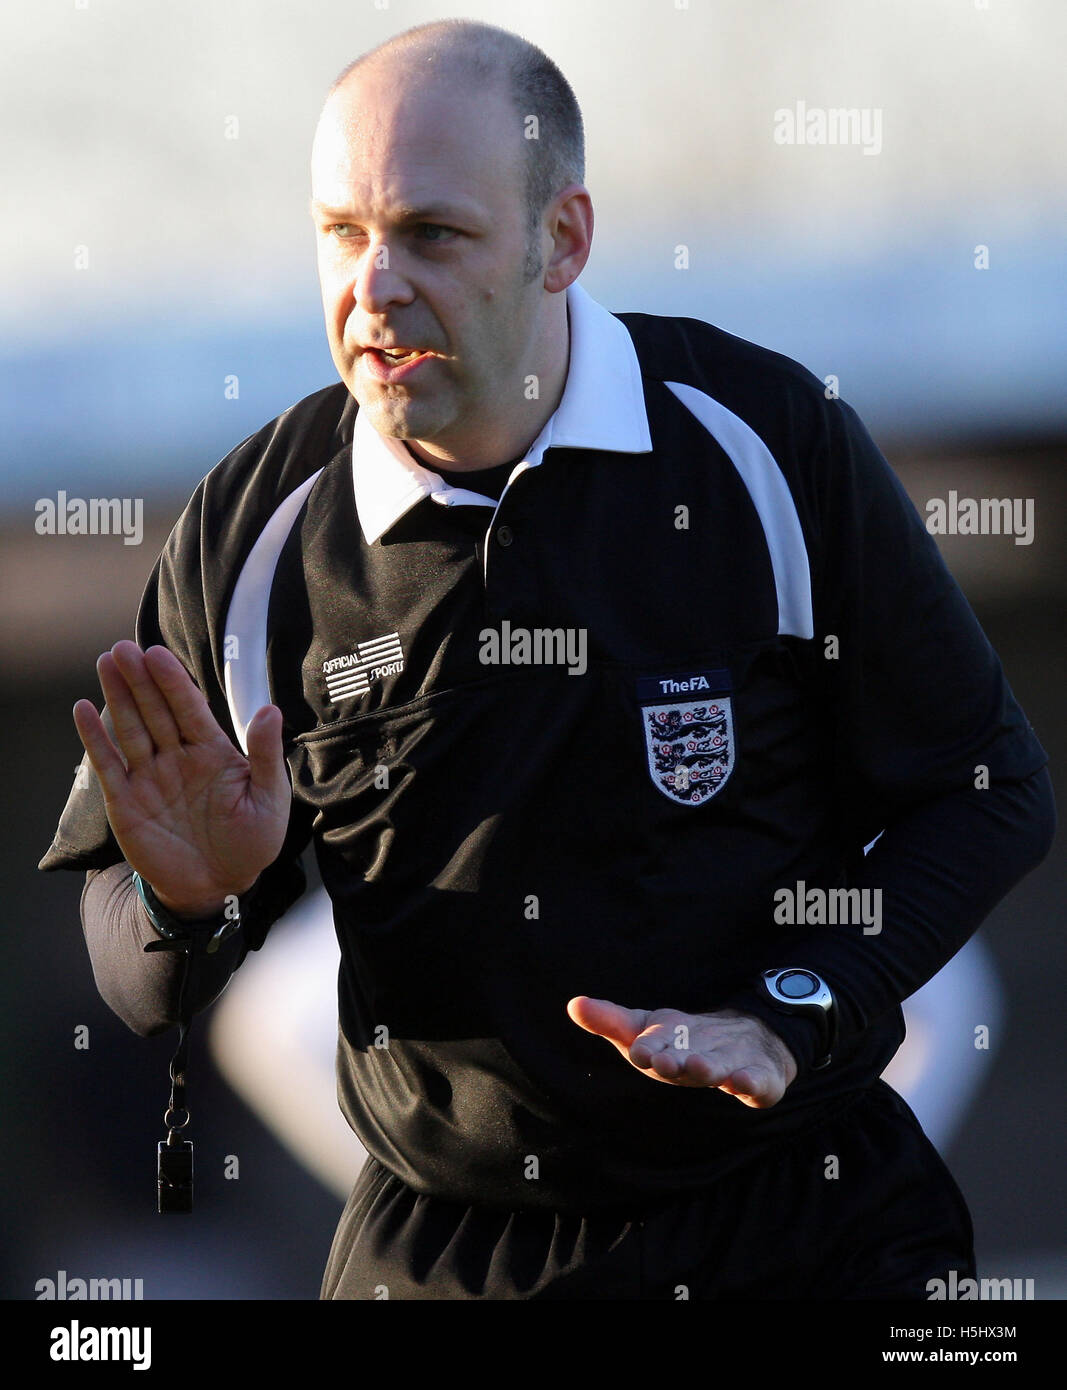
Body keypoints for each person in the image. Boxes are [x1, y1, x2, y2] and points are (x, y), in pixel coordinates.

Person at [40, 18, 1054, 1300]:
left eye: (433, 234)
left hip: (809, 1217)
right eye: (341, 233)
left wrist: (790, 1008)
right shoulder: (251, 537)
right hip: (455, 1252)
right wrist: (192, 906)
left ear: (562, 239)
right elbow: (136, 978)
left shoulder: (762, 443)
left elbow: (986, 791)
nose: (376, 285)